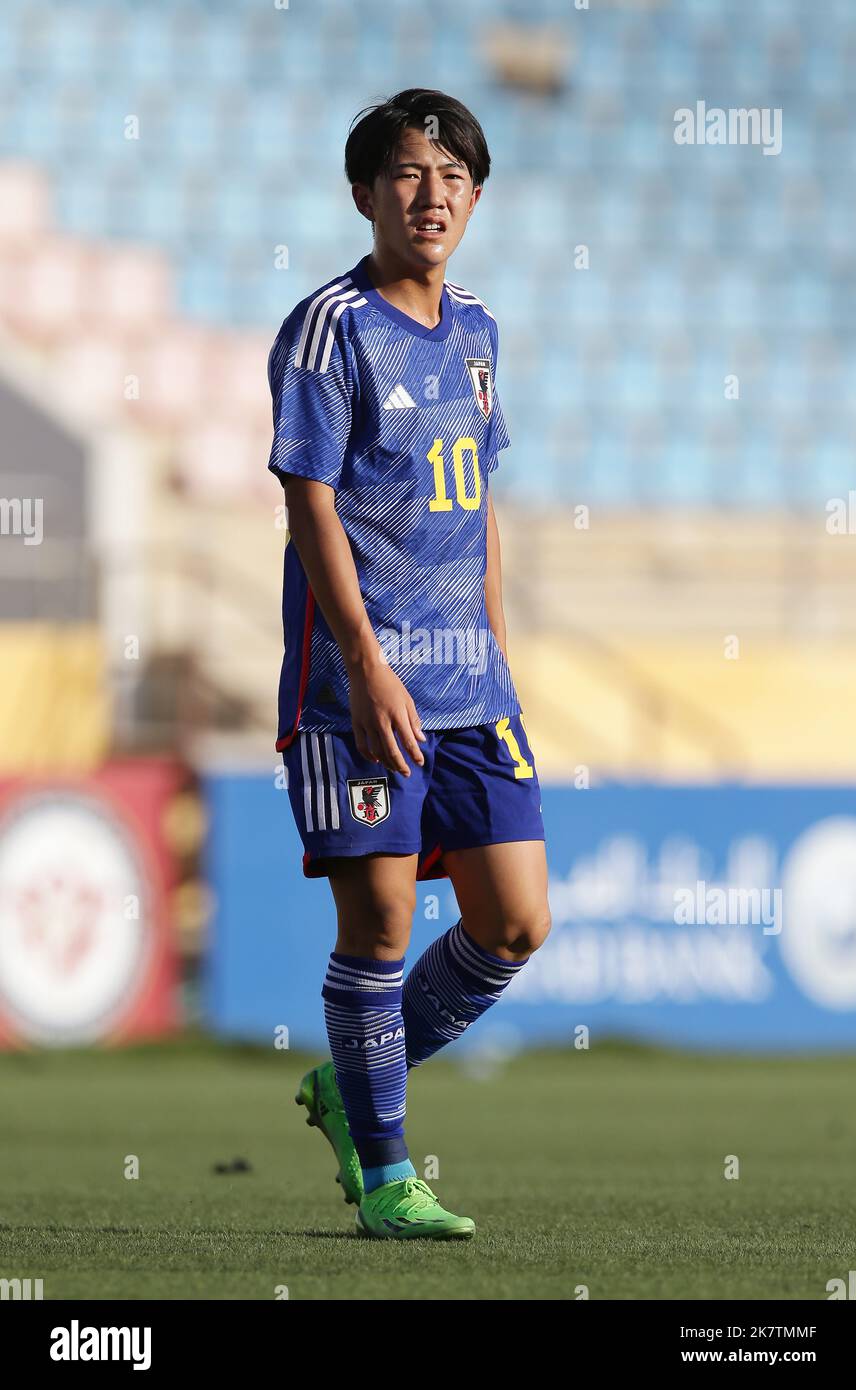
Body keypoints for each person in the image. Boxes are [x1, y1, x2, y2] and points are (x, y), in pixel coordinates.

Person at [267, 88, 551, 1240]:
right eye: (405, 174)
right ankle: (387, 1174)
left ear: (475, 197)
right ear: (363, 192)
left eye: (451, 177)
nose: (429, 196)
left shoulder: (477, 329)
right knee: (381, 923)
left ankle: (349, 1083)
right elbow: (309, 501)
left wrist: (497, 653)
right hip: (358, 688)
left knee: (515, 921)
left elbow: (478, 504)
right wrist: (367, 662)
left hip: (471, 684)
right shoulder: (329, 325)